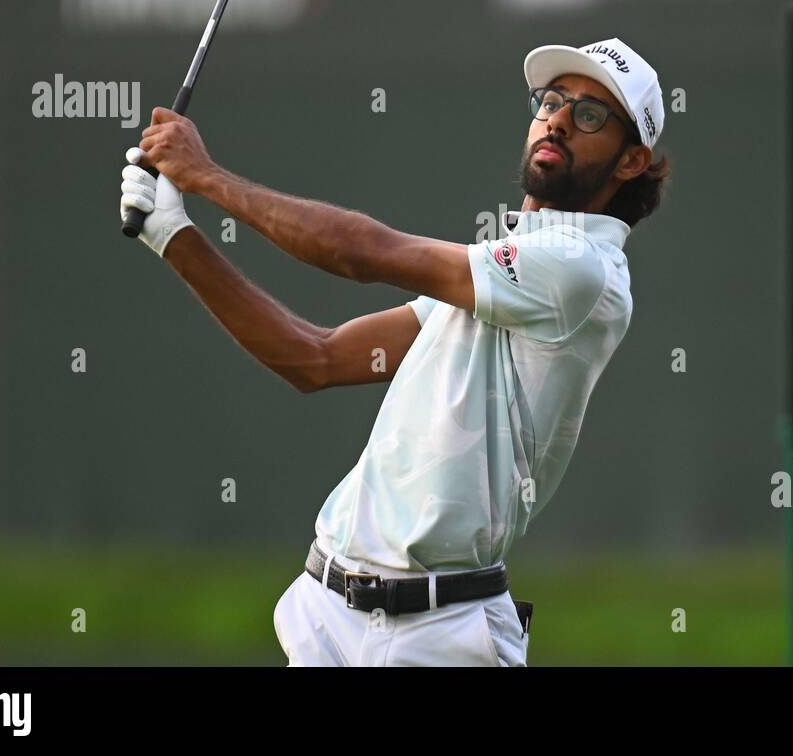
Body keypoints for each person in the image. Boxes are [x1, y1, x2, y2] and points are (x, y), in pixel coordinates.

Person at [118, 37, 670, 665]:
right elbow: (313, 359)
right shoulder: (500, 275)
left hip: (440, 635)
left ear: (631, 162)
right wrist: (173, 233)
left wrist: (208, 177)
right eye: (552, 101)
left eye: (591, 114)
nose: (559, 119)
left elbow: (367, 254)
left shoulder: (580, 270)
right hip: (327, 616)